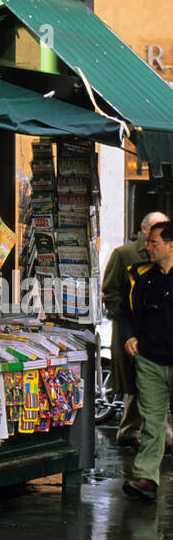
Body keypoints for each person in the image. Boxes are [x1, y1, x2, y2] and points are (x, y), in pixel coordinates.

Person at [102, 210, 170, 448]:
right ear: (145, 231)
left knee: (144, 384)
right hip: (131, 330)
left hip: (157, 332)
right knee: (139, 381)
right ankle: (157, 435)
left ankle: (132, 431)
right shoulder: (125, 255)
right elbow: (110, 290)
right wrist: (123, 319)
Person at [121, 219, 173, 501]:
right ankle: (146, 479)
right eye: (148, 242)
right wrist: (129, 335)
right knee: (152, 423)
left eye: (154, 242)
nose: (148, 247)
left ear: (171, 245)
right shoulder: (144, 278)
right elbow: (126, 311)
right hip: (150, 362)